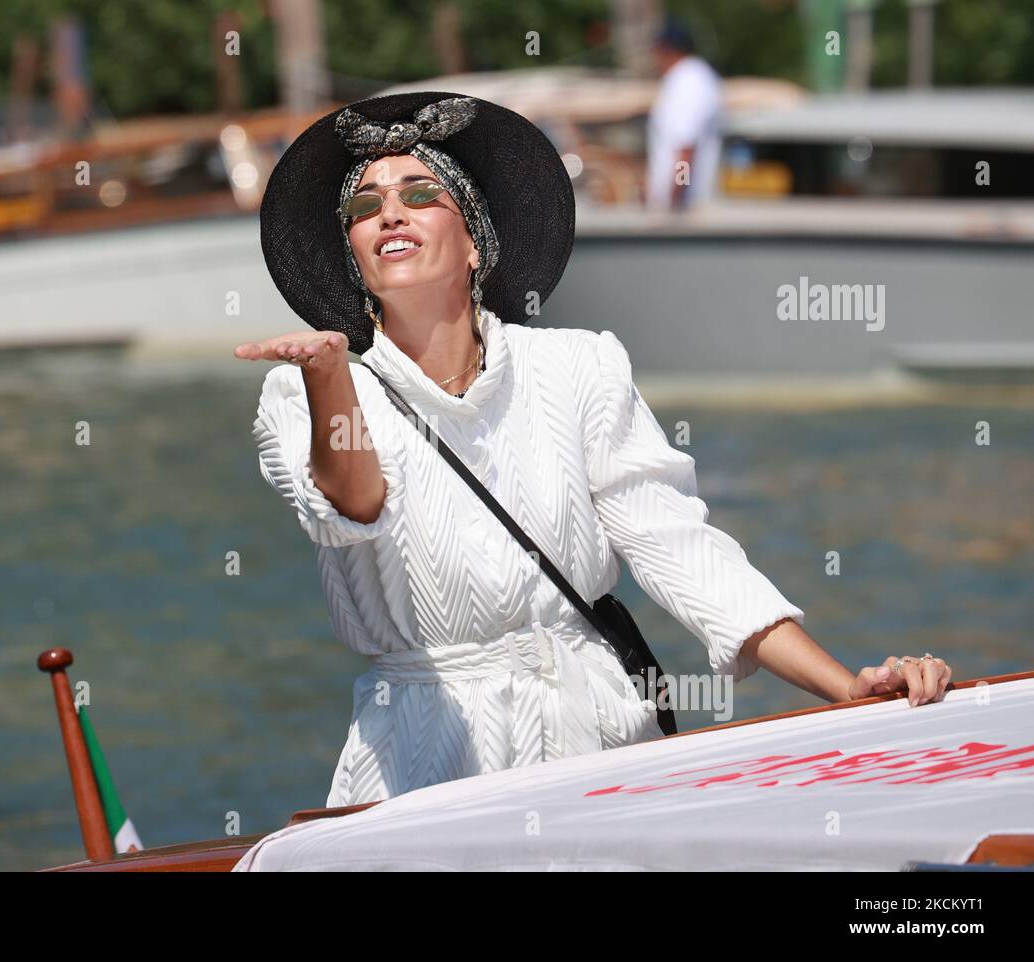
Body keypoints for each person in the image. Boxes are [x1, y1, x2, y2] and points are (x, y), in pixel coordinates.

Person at [234, 92, 952, 808]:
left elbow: (679, 549)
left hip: (600, 744)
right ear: (356, 259)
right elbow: (355, 506)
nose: (389, 213)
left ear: (476, 240)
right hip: (421, 754)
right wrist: (330, 376)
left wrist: (845, 687)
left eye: (420, 194)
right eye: (364, 208)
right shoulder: (300, 394)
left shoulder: (579, 366)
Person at [645, 20, 722, 211]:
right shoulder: (691, 78)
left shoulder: (688, 82)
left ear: (665, 49)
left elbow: (686, 149)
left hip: (682, 209)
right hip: (681, 205)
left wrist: (675, 198)